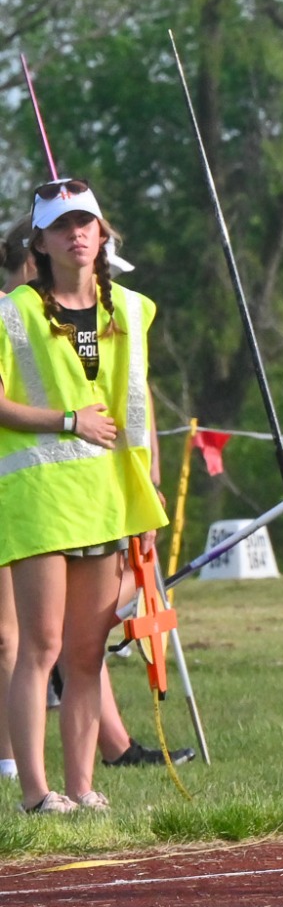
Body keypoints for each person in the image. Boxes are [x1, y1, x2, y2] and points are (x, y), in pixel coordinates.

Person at [0, 180, 168, 812]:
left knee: (88, 653)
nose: (77, 233)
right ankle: (37, 795)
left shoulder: (129, 310)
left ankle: (84, 789)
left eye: (87, 223)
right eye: (62, 225)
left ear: (103, 235)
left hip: (104, 498)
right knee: (38, 649)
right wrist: (68, 421)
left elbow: (136, 412)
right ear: (39, 242)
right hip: (39, 500)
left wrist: (143, 503)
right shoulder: (11, 311)